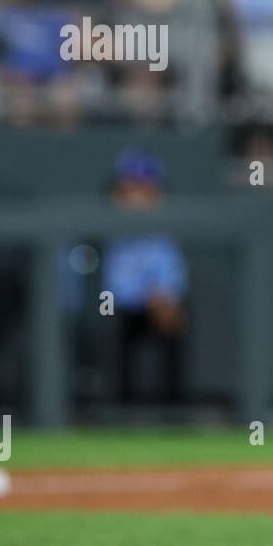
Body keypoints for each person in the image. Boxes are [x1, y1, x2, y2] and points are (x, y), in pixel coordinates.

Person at [102, 149, 188, 405]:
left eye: (146, 190)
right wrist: (143, 295)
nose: (138, 198)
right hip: (115, 310)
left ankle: (173, 408)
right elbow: (108, 284)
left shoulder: (163, 238)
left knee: (173, 317)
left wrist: (161, 297)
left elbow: (173, 279)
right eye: (131, 189)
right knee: (113, 319)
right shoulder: (104, 232)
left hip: (156, 310)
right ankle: (118, 408)